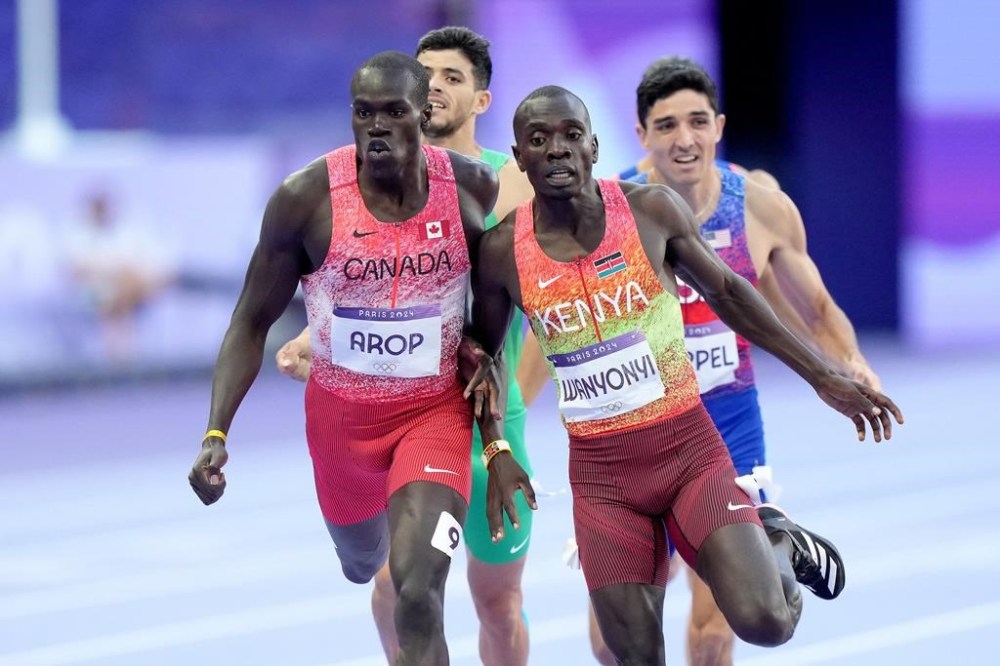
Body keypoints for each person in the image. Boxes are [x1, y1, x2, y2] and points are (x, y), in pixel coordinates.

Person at [470, 85, 903, 666]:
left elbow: (729, 292)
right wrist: (496, 447)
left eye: (571, 136)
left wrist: (823, 376)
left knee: (767, 622)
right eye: (539, 140)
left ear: (594, 146)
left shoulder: (650, 212)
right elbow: (482, 356)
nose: (557, 151)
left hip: (687, 454)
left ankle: (772, 533)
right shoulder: (501, 252)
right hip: (603, 480)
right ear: (519, 157)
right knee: (632, 654)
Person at [188, 51, 511, 665]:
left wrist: (483, 356)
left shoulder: (472, 187)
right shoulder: (306, 200)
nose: (378, 128)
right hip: (342, 424)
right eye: (364, 114)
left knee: (416, 591)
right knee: (364, 564)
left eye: (395, 113)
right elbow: (249, 322)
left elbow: (495, 293)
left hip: (433, 414)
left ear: (426, 113)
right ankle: (365, 541)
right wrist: (215, 431)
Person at [583, 57, 884, 666]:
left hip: (728, 422)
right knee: (613, 640)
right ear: (641, 136)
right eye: (666, 126)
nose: (684, 139)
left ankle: (762, 531)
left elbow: (818, 308)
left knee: (715, 624)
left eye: (697, 122)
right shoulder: (610, 215)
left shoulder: (762, 207)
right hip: (635, 430)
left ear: (719, 126)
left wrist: (851, 361)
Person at [275, 27, 544, 666]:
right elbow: (373, 283)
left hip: (487, 421)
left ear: (481, 100)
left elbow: (536, 312)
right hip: (403, 417)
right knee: (398, 590)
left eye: (451, 77)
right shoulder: (372, 182)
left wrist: (507, 411)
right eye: (424, 78)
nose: (434, 90)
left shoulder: (509, 186)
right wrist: (320, 333)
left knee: (497, 603)